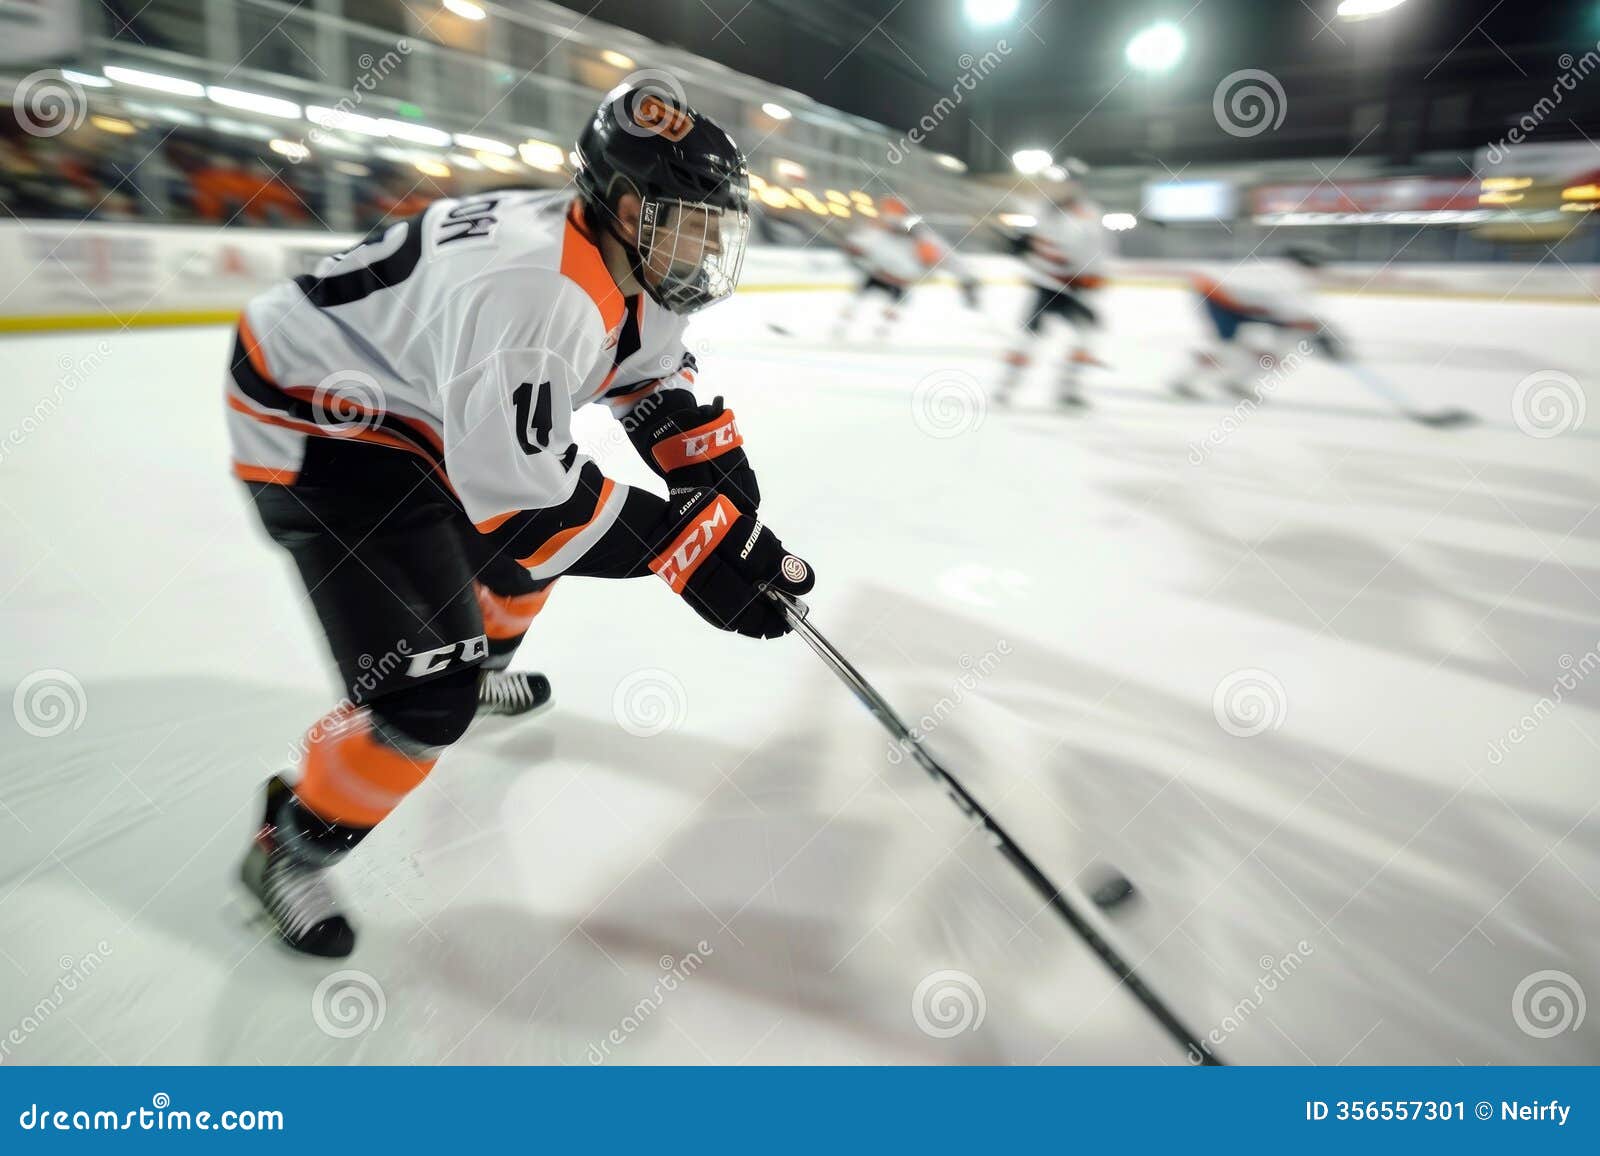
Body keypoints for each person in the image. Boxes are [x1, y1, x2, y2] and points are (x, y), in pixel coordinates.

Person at [226, 84, 816, 957]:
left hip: (415, 400)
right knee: (425, 696)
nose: (707, 246)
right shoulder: (536, 293)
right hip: (318, 427)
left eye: (715, 224)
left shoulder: (623, 253)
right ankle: (288, 844)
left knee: (528, 555)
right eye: (695, 222)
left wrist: (708, 471)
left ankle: (484, 668)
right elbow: (527, 507)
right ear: (629, 210)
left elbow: (647, 374)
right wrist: (691, 551)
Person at [994, 168, 1111, 408]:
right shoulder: (1051, 212)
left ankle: (1012, 387)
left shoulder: (1071, 213)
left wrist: (1023, 247)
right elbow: (1035, 246)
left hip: (1063, 287)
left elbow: (1086, 252)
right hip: (1053, 286)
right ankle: (1019, 388)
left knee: (1073, 334)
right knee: (1038, 337)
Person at [1169, 244, 1341, 401]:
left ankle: (1225, 380)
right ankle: (1188, 381)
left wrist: (1315, 333)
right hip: (1221, 298)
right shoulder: (1293, 280)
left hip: (1233, 298)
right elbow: (1293, 319)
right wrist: (1320, 337)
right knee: (1234, 352)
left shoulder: (1285, 272)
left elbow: (1293, 320)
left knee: (1253, 353)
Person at [832, 196, 977, 341]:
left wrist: (966, 278)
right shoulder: (877, 233)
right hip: (882, 275)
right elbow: (857, 246)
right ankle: (854, 325)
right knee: (862, 301)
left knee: (879, 304)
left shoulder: (921, 238)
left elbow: (946, 258)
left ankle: (879, 330)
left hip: (894, 279)